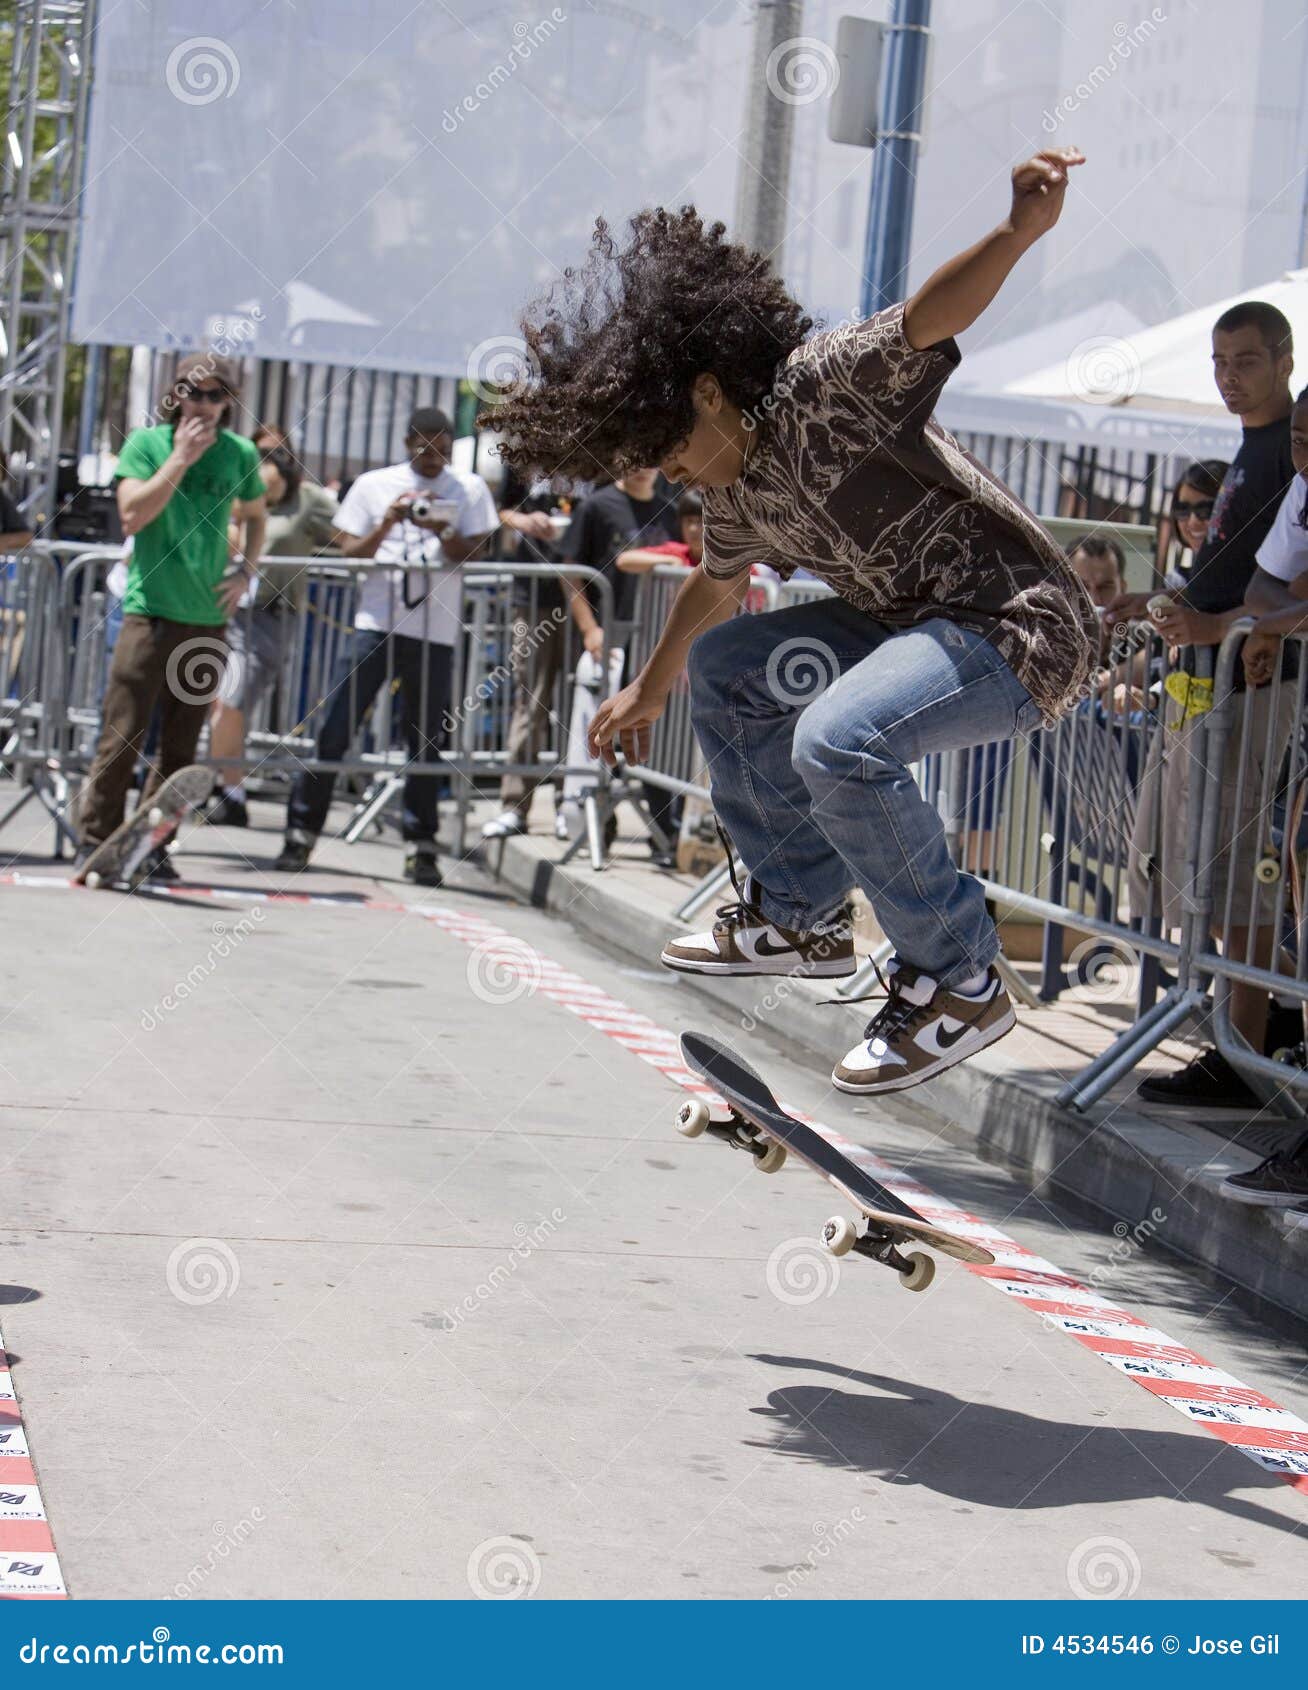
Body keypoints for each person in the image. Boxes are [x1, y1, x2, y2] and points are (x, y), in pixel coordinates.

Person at [483, 154, 1099, 1092]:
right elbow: (714, 589)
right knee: (729, 665)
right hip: (913, 625)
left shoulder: (825, 386)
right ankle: (801, 911)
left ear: (708, 391)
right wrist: (651, 688)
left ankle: (961, 976)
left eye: (673, 455)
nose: (677, 482)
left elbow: (932, 315)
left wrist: (1016, 234)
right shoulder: (734, 495)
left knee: (837, 738)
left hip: (1019, 626)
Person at [1125, 306, 1298, 1110]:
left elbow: (1288, 593)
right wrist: (1171, 608)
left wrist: (1217, 627)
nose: (1230, 375)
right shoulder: (1258, 447)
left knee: (1234, 880)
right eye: (1219, 361)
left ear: (1286, 359)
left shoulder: (1287, 452)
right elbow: (1249, 579)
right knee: (1203, 874)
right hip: (1217, 681)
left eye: (1247, 361)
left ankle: (1245, 1053)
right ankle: (1258, 1031)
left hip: (1259, 684)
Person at [274, 407, 497, 886]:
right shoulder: (375, 485)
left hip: (435, 630)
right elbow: (350, 550)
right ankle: (300, 832)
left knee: (426, 742)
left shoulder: (470, 488)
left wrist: (445, 529)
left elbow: (479, 551)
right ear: (406, 442)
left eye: (441, 448)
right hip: (375, 623)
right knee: (336, 726)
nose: (433, 457)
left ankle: (421, 846)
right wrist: (390, 522)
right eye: (424, 447)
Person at [74, 353, 266, 881]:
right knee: (123, 733)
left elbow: (256, 513)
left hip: (207, 617)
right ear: (175, 393)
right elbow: (133, 514)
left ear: (228, 400)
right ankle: (96, 838)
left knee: (181, 749)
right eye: (193, 392)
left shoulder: (239, 452)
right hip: (149, 611)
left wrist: (247, 569)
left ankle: (154, 845)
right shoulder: (147, 445)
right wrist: (180, 458)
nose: (204, 404)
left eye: (215, 394)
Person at [551, 468, 682, 863]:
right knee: (606, 732)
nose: (643, 468)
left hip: (656, 643)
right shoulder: (597, 506)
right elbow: (572, 572)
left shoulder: (669, 510)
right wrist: (590, 628)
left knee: (660, 739)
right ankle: (595, 827)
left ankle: (666, 834)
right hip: (612, 644)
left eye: (651, 459)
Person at [207, 444, 340, 825]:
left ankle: (224, 785)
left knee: (232, 702)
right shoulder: (243, 504)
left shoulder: (309, 501)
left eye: (271, 486)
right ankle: (229, 790)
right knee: (220, 705)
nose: (263, 494)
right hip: (229, 612)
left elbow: (349, 535)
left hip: (270, 616)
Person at [480, 466, 574, 840]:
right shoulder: (523, 456)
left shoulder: (602, 442)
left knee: (579, 704)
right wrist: (524, 520)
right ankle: (514, 806)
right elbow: (501, 510)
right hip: (532, 594)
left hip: (586, 591)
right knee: (530, 701)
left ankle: (573, 805)